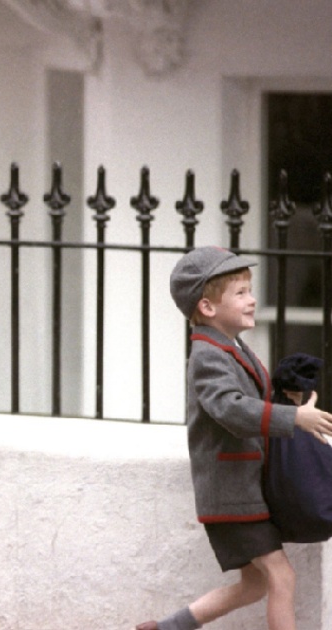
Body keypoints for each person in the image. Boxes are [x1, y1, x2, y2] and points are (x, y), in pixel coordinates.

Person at [139, 247, 332, 630]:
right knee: (281, 576)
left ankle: (165, 629)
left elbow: (248, 403)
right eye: (241, 292)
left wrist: (285, 394)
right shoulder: (207, 356)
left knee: (255, 584)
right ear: (208, 307)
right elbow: (229, 408)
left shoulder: (231, 349)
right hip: (232, 495)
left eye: (250, 290)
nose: (253, 299)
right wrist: (293, 417)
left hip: (245, 491)